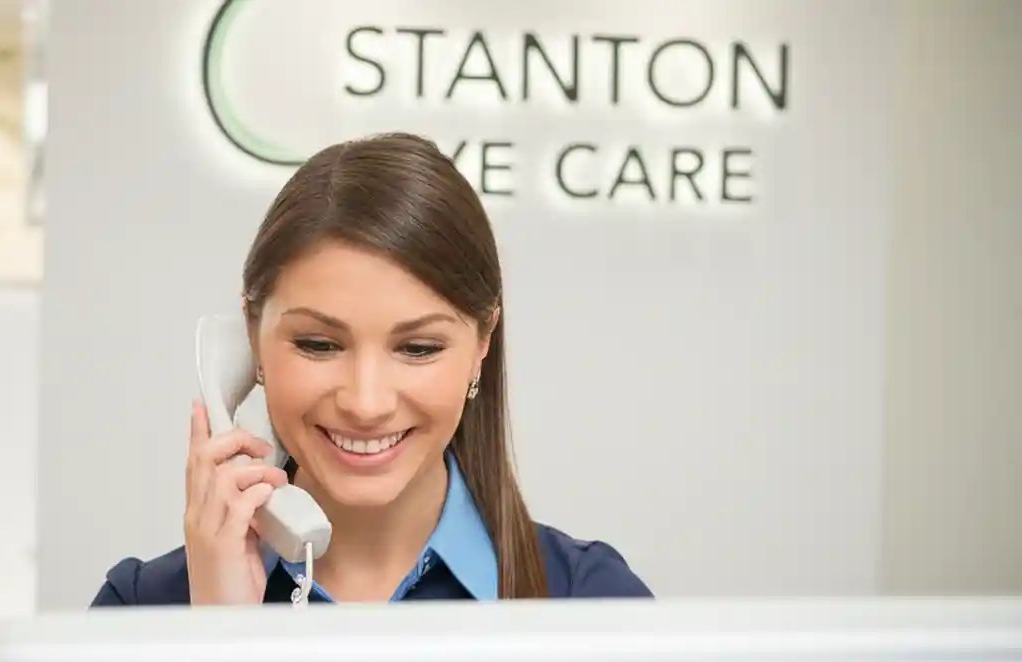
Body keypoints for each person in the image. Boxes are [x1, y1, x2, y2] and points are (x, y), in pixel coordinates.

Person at [91, 133, 652, 606]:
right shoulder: (143, 606)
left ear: (482, 343)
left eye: (417, 349)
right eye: (318, 343)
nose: (366, 402)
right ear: (252, 340)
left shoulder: (590, 599)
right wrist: (216, 644)